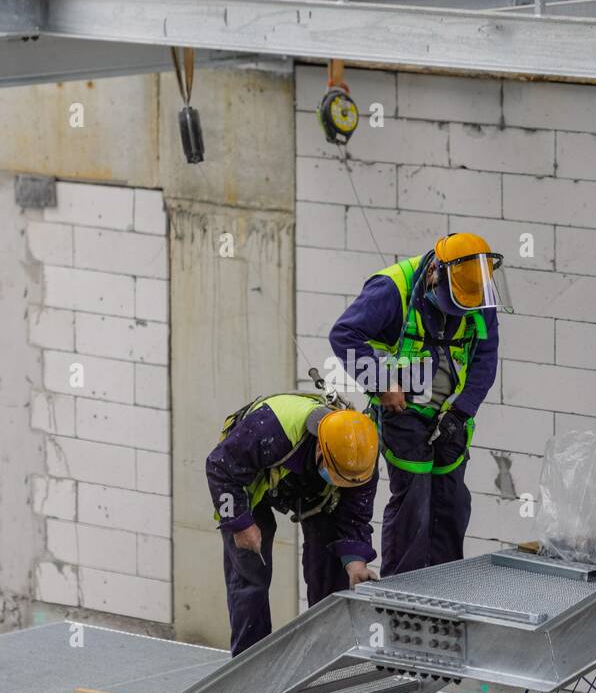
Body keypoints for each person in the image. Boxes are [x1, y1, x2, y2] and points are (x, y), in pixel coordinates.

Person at [329, 233, 507, 574]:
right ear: (434, 275)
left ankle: (445, 586)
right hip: (402, 411)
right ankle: (403, 592)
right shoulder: (391, 289)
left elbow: (486, 356)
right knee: (414, 505)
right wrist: (381, 384)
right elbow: (343, 336)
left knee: (452, 503)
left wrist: (461, 410)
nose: (460, 314)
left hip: (450, 414)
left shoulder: (478, 290)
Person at [206, 393, 379, 655]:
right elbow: (220, 467)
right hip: (249, 483)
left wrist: (355, 563)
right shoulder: (268, 428)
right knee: (251, 571)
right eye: (337, 477)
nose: (343, 485)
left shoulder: (360, 461)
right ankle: (250, 661)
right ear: (322, 450)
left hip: (311, 492)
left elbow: (354, 515)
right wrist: (239, 523)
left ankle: (325, 655)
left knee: (331, 567)